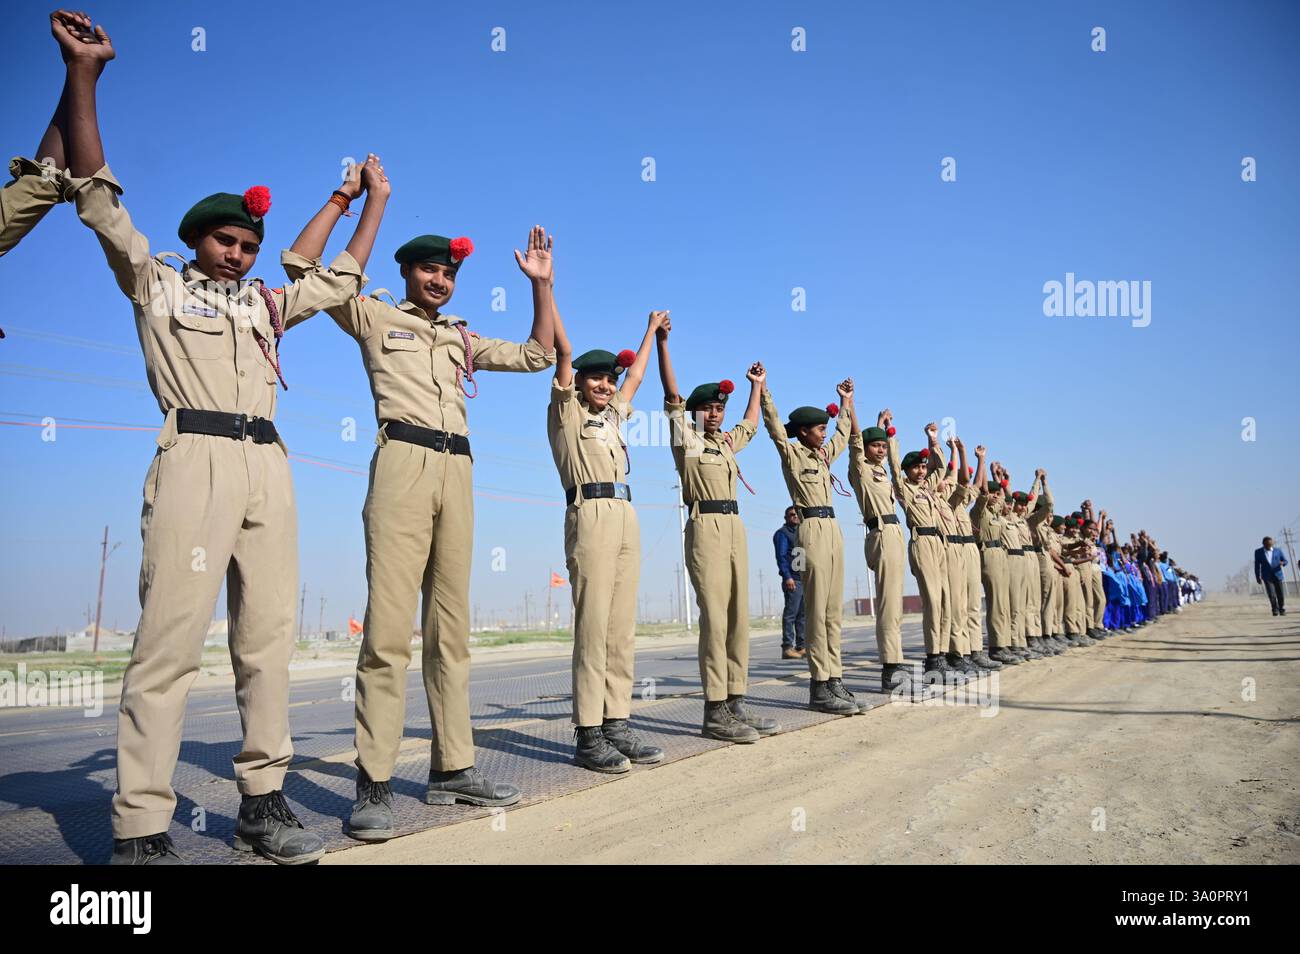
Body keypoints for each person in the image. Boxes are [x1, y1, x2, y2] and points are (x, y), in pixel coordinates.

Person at [52, 10, 381, 864]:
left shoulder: (269, 306)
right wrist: (85, 75)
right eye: (224, 241)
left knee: (265, 643)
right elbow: (98, 197)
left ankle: (262, 805)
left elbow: (331, 272)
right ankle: (140, 828)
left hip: (269, 464)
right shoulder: (159, 286)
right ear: (197, 241)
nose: (238, 253)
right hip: (193, 459)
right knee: (167, 646)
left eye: (247, 244)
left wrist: (364, 201)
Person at [285, 222, 556, 839]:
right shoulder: (375, 316)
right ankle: (373, 783)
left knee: (451, 630)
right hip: (402, 463)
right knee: (387, 632)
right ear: (407, 272)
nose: (440, 281)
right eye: (430, 271)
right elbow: (303, 268)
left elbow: (537, 355)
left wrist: (541, 286)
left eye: (450, 274)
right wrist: (360, 204)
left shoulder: (460, 338)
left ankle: (452, 771)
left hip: (458, 469)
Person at [549, 307, 666, 772]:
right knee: (593, 626)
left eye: (607, 380)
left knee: (621, 628)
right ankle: (588, 732)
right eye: (594, 379)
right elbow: (563, 353)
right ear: (578, 383)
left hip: (625, 513)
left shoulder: (614, 414)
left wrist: (651, 332)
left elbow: (635, 376)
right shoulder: (566, 414)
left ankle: (616, 722)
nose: (604, 385)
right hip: (589, 511)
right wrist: (546, 287)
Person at [657, 335, 776, 743]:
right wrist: (663, 343)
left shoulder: (726, 443)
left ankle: (736, 700)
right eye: (708, 407)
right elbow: (671, 395)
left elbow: (752, 424)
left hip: (734, 528)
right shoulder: (687, 442)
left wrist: (756, 386)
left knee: (739, 617)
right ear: (695, 412)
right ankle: (714, 709)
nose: (714, 413)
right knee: (715, 618)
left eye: (719, 408)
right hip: (704, 527)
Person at [761, 376, 859, 713]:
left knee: (833, 610)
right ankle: (819, 687)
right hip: (811, 529)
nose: (824, 434)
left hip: (833, 527)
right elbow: (774, 427)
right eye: (819, 428)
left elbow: (844, 434)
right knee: (816, 611)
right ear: (803, 431)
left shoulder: (822, 455)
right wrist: (763, 390)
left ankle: (835, 679)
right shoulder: (792, 454)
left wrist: (847, 402)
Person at [846, 406, 914, 689]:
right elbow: (856, 441)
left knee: (894, 603)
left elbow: (879, 451)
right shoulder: (860, 469)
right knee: (888, 604)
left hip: (894, 532)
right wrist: (849, 404)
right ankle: (891, 666)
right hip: (881, 532)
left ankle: (895, 660)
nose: (882, 450)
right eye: (876, 446)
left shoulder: (880, 472)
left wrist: (881, 426)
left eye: (884, 445)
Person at [896, 422, 953, 680]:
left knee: (944, 601)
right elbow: (894, 473)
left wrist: (933, 439)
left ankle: (941, 654)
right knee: (932, 601)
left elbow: (940, 467)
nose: (920, 471)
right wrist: (889, 437)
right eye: (916, 467)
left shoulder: (927, 489)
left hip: (938, 544)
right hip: (922, 543)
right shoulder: (905, 490)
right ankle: (933, 657)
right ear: (907, 470)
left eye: (922, 467)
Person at [773, 507, 807, 659]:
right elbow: (781, 557)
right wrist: (787, 577)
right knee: (791, 614)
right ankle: (787, 647)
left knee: (802, 615)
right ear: (786, 517)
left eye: (797, 515)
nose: (795, 517)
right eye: (792, 515)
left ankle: (802, 646)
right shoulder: (782, 534)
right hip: (792, 580)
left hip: (803, 579)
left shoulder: (801, 532)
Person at [1255, 537, 1288, 616]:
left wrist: (1282, 563)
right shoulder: (1258, 552)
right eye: (1267, 544)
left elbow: (1286, 561)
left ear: (1272, 543)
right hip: (1267, 576)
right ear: (1263, 544)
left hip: (1278, 575)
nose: (1269, 546)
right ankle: (1275, 609)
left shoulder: (1278, 550)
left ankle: (1281, 609)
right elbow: (1257, 566)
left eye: (1270, 544)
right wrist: (1258, 577)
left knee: (1280, 594)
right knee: (1271, 594)